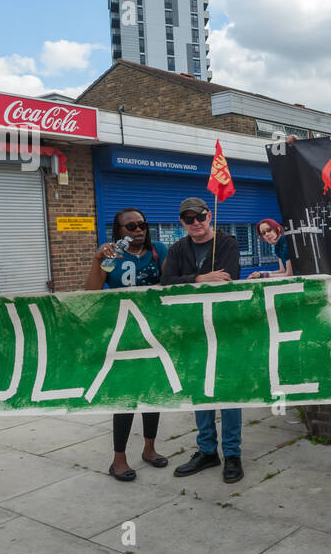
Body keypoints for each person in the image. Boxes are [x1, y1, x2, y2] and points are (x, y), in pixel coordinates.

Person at [160, 197, 244, 483]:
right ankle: (207, 451)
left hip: (224, 326)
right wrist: (199, 278)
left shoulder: (227, 243)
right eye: (189, 219)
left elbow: (228, 277)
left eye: (201, 216)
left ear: (210, 216)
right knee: (200, 389)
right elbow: (166, 281)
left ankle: (232, 454)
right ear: (182, 222)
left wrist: (205, 278)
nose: (196, 223)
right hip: (192, 329)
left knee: (228, 390)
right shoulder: (177, 248)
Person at [85, 209, 170, 481]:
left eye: (142, 224)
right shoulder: (112, 256)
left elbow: (170, 284)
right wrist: (98, 259)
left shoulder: (157, 250)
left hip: (153, 331)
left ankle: (149, 449)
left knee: (153, 393)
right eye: (131, 225)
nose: (138, 229)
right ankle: (118, 460)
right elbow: (92, 292)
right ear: (119, 231)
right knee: (125, 395)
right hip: (122, 334)